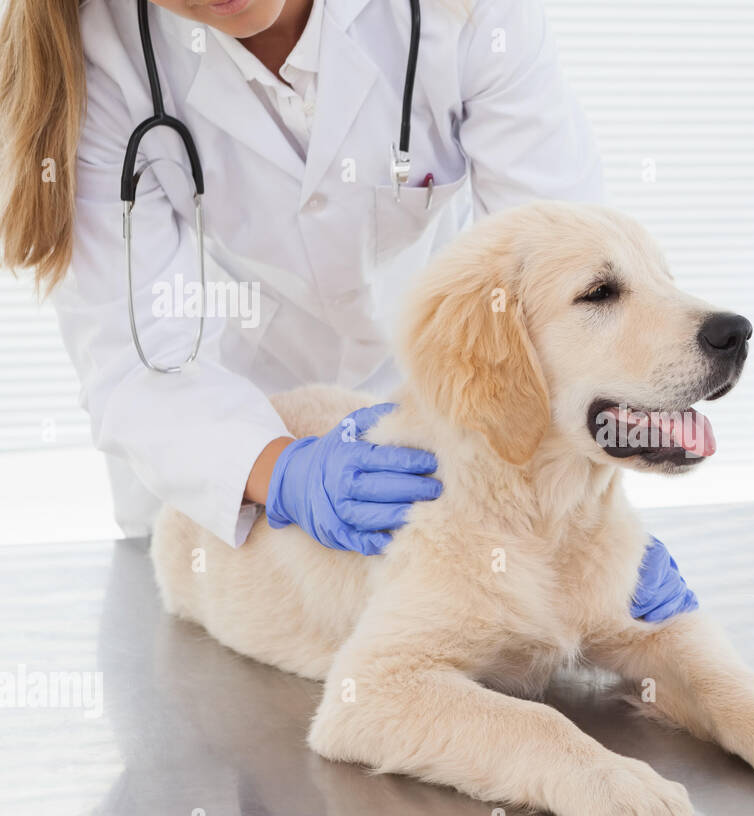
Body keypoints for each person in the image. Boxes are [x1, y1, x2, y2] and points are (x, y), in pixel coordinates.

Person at [0, 0, 697, 621]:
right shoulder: (100, 49)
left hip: (441, 424)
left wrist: (587, 524)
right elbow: (132, 357)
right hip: (220, 444)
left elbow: (558, 275)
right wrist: (282, 472)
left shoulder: (470, 13)